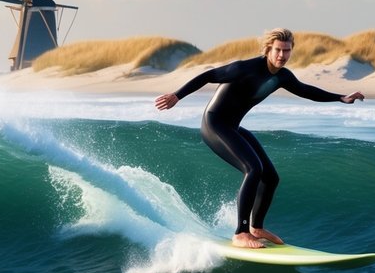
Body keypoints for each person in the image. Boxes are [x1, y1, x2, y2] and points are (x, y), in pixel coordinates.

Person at [154, 28, 364, 249]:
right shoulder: (245, 68)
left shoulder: (282, 76)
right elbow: (208, 76)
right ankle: (241, 232)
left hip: (233, 127)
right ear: (268, 50)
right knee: (253, 168)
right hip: (215, 125)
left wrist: (340, 98)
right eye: (278, 50)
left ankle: (256, 227)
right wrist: (177, 95)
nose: (282, 55)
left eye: (287, 51)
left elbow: (306, 90)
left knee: (271, 177)